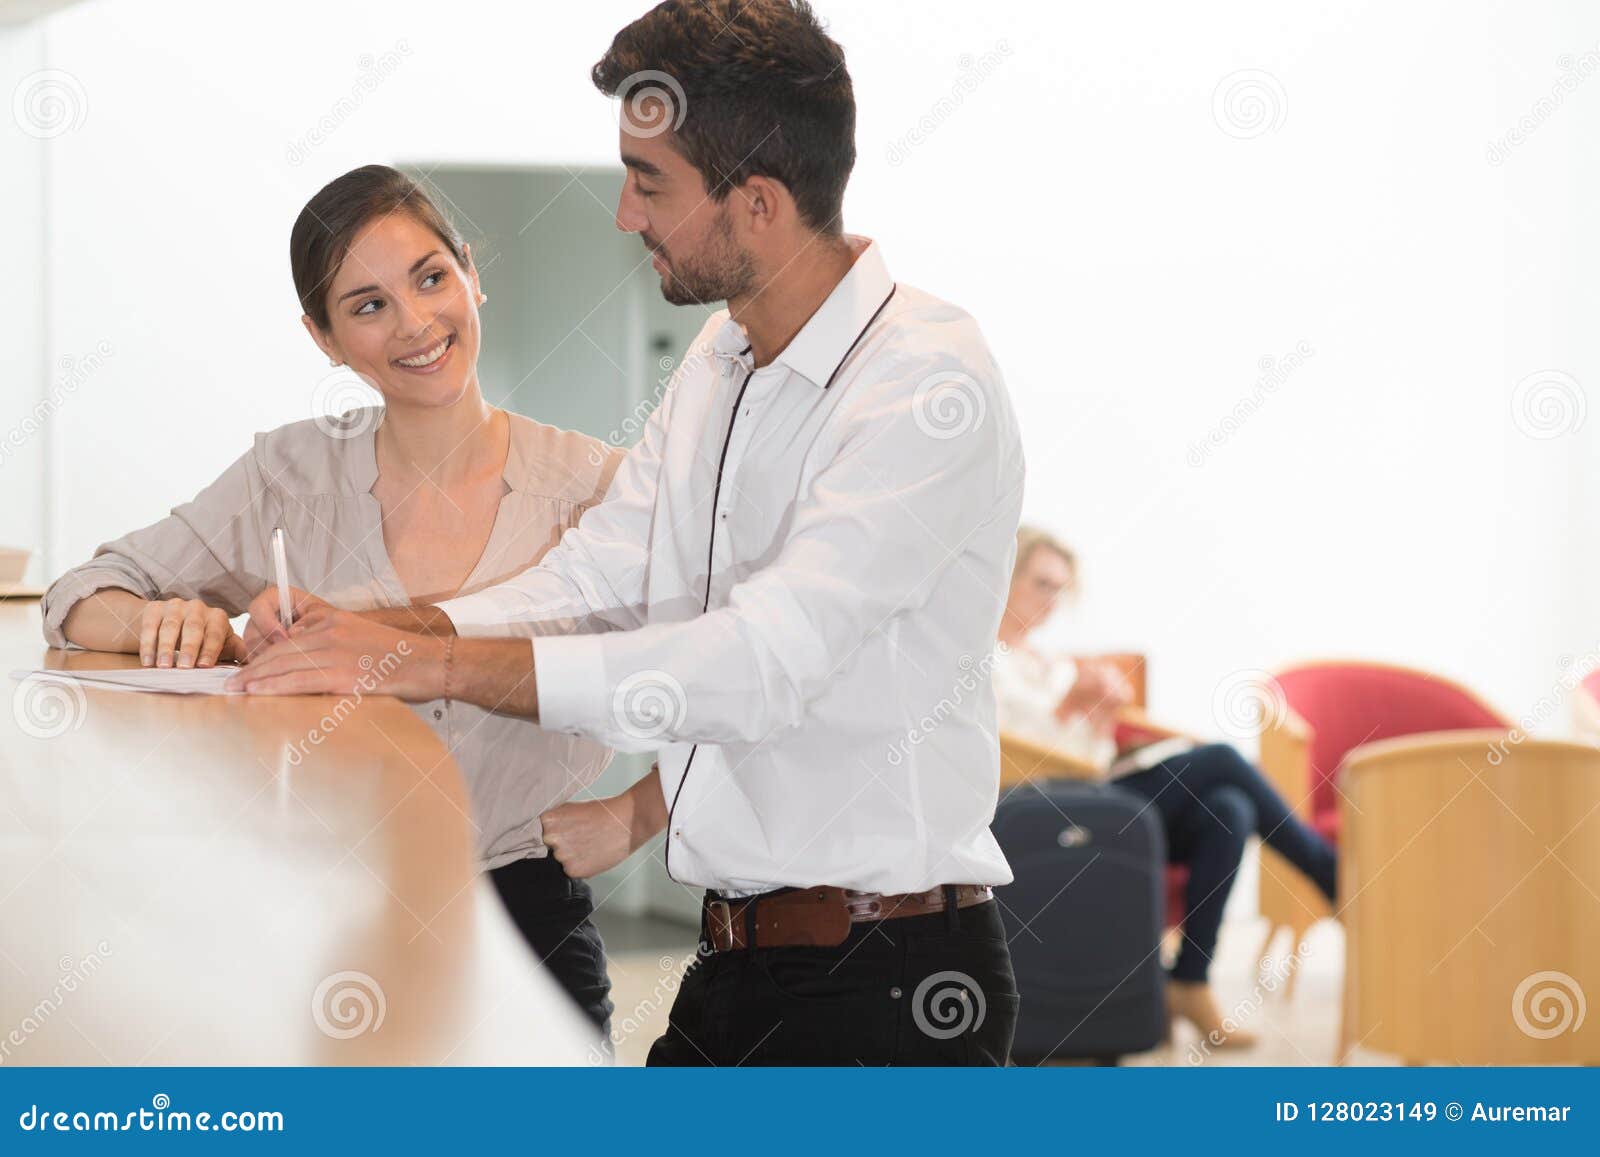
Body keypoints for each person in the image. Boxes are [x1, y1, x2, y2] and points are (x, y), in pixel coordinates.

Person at [232, 0, 1025, 1066]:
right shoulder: (720, 358)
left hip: (891, 983)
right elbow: (598, 571)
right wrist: (381, 628)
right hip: (738, 959)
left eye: (649, 184)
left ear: (756, 204)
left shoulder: (924, 381)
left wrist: (430, 664)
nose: (623, 214)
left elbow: (757, 663)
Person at [41, 164, 623, 1035]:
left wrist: (635, 815)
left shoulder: (596, 486)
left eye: (431, 277)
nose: (415, 322)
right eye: (368, 304)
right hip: (322, 905)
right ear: (324, 337)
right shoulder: (289, 475)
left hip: (529, 914)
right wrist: (173, 622)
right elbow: (77, 595)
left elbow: (727, 668)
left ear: (472, 272)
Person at [992, 525, 1339, 1048]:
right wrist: (1070, 711)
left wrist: (1098, 714)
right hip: (1052, 808)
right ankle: (1327, 871)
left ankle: (1190, 982)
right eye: (1041, 583)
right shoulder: (984, 660)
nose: (1051, 601)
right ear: (1007, 573)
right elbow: (1010, 755)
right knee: (1221, 758)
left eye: (1060, 589)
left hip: (1100, 790)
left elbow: (1092, 754)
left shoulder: (1051, 663)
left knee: (1229, 808)